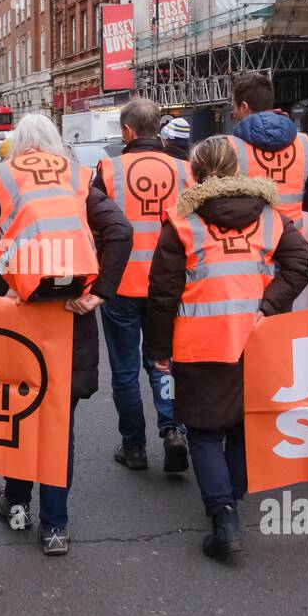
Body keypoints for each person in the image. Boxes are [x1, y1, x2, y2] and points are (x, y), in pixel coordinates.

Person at [0, 113, 132, 556]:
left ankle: (16, 504)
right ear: (55, 142)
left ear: (18, 144)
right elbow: (120, 231)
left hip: (23, 317)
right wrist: (99, 292)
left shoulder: (4, 177)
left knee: (19, 414)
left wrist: (0, 289)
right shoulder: (76, 177)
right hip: (71, 315)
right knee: (58, 424)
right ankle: (55, 527)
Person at [144, 136, 308, 560]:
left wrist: (158, 350)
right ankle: (233, 498)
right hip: (257, 340)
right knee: (241, 424)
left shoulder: (183, 223)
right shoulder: (271, 217)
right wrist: (269, 305)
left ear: (195, 174)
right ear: (237, 170)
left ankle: (224, 517)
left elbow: (163, 294)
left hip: (201, 343)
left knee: (204, 431)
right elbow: (301, 263)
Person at [92, 97, 192, 473]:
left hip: (121, 282)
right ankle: (173, 429)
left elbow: (95, 226)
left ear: (128, 132)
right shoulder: (185, 170)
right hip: (170, 283)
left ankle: (134, 446)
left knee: (124, 370)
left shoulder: (109, 169)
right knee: (163, 361)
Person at [227, 71, 308, 231]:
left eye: (234, 107)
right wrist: (295, 202)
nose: (234, 113)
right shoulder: (304, 144)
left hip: (249, 240)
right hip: (292, 239)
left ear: (244, 107)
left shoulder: (230, 147)